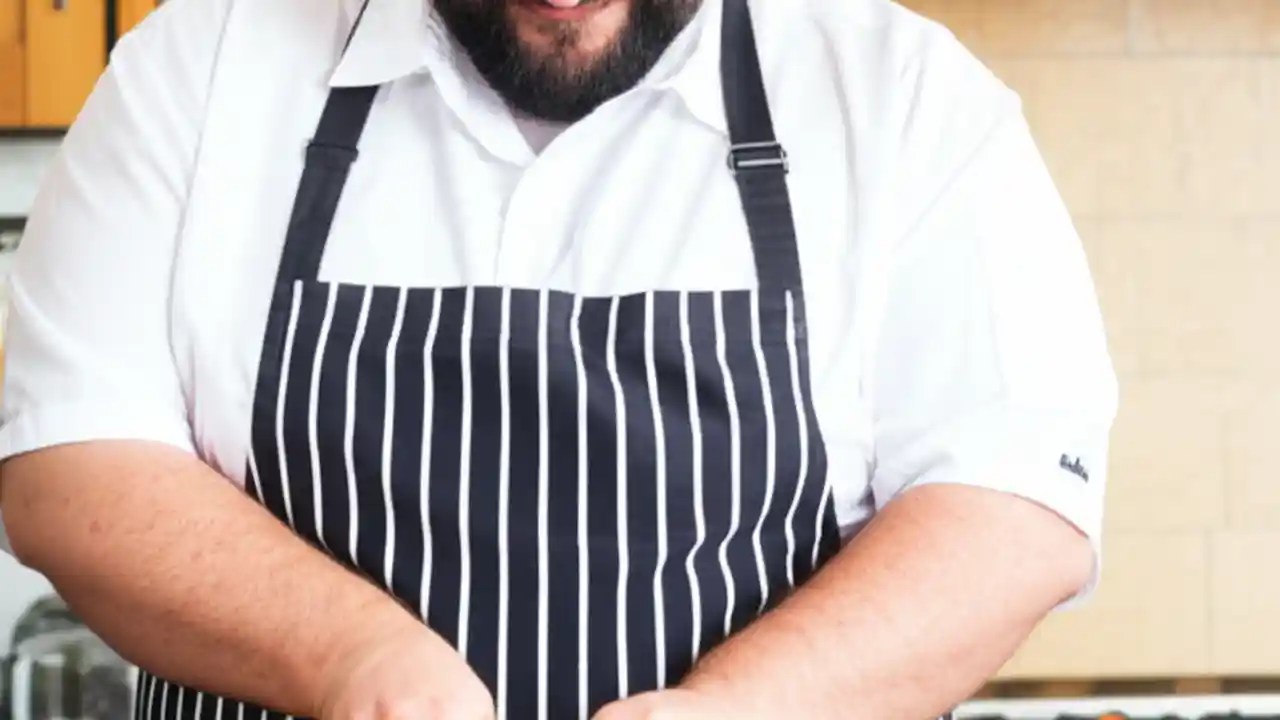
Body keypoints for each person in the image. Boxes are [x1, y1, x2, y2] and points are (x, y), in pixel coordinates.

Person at [0, 0, 1118, 717]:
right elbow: (73, 466)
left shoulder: (904, 97)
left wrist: (730, 713)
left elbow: (1007, 508)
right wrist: (351, 662)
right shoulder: (199, 70)